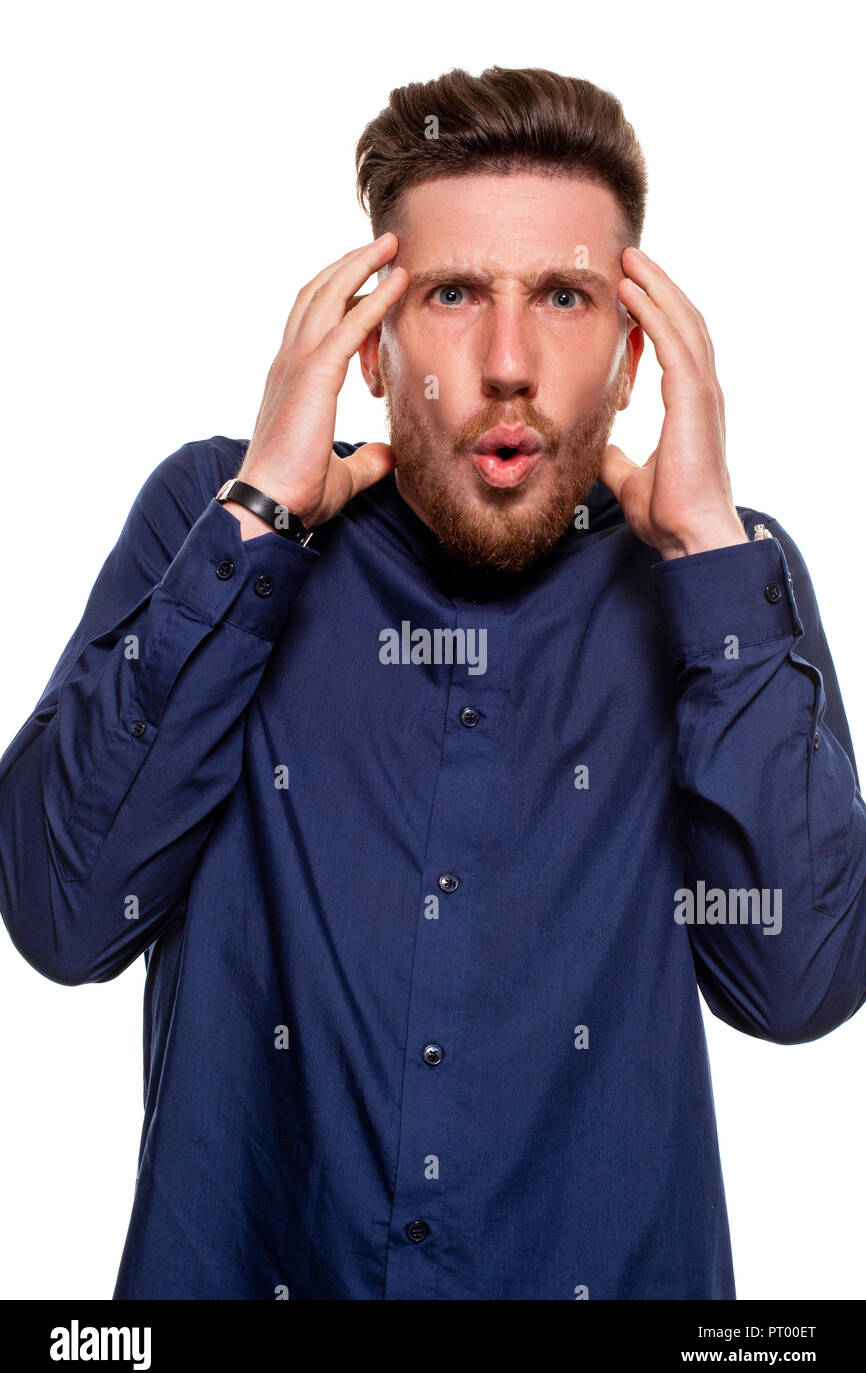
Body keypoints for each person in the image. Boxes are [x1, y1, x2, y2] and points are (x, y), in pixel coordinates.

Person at [0, 65, 863, 1301]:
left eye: (563, 296)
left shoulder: (723, 573)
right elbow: (60, 916)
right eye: (452, 293)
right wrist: (258, 519)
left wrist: (713, 570)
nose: (506, 362)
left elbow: (795, 985)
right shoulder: (212, 515)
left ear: (630, 358)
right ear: (369, 342)